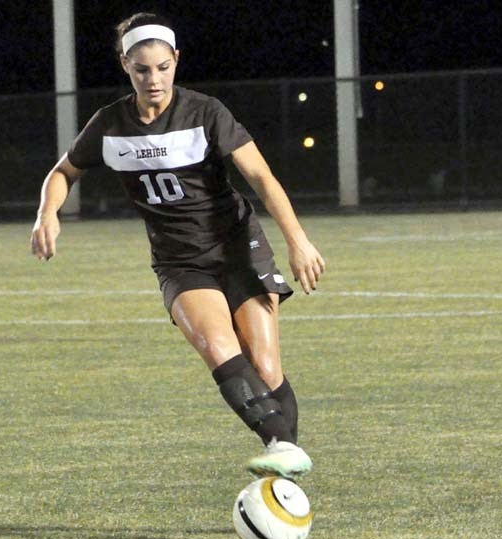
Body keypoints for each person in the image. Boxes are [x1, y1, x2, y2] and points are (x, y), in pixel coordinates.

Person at [30, 13, 325, 479]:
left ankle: (284, 462)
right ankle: (281, 448)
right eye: (142, 69)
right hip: (180, 262)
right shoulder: (110, 125)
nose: (154, 79)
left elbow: (262, 178)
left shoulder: (205, 112)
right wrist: (48, 212)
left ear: (176, 61)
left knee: (266, 368)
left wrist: (298, 241)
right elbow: (63, 171)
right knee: (216, 343)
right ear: (125, 64)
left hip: (238, 248)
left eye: (164, 67)